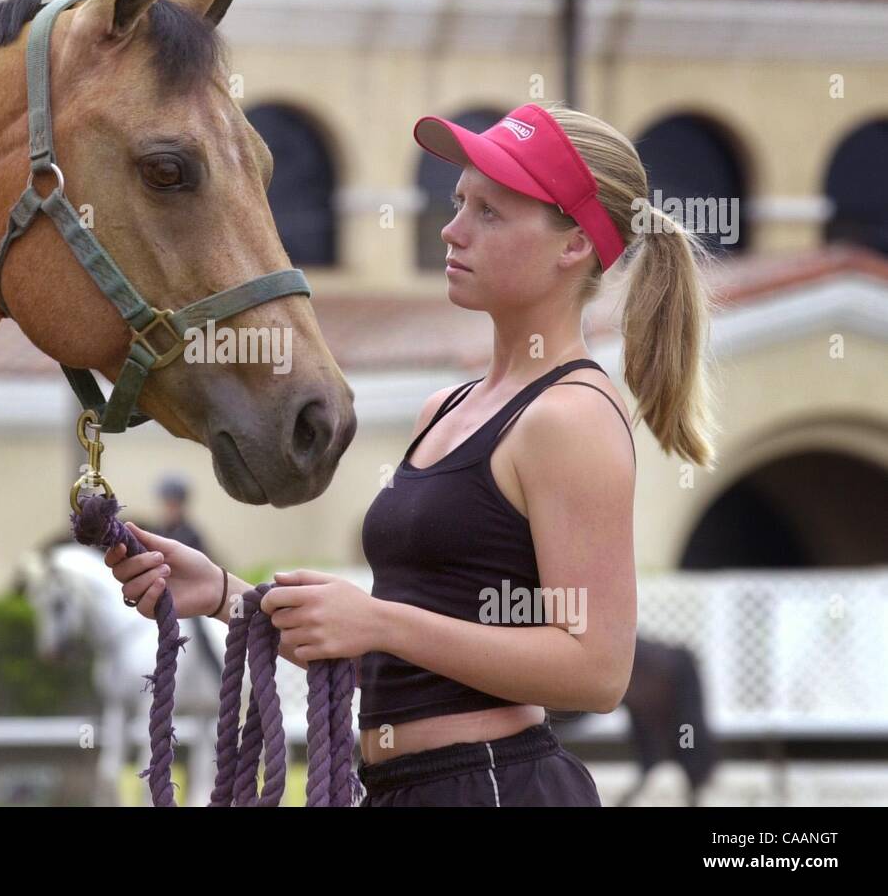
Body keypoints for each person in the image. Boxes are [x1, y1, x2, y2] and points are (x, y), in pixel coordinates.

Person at [102, 101, 717, 806]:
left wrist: (379, 619)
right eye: (458, 203)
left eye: (490, 212)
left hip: (495, 786)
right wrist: (223, 595)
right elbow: (407, 649)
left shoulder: (570, 417)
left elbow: (598, 670)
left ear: (573, 243)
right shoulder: (446, 411)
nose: (452, 230)